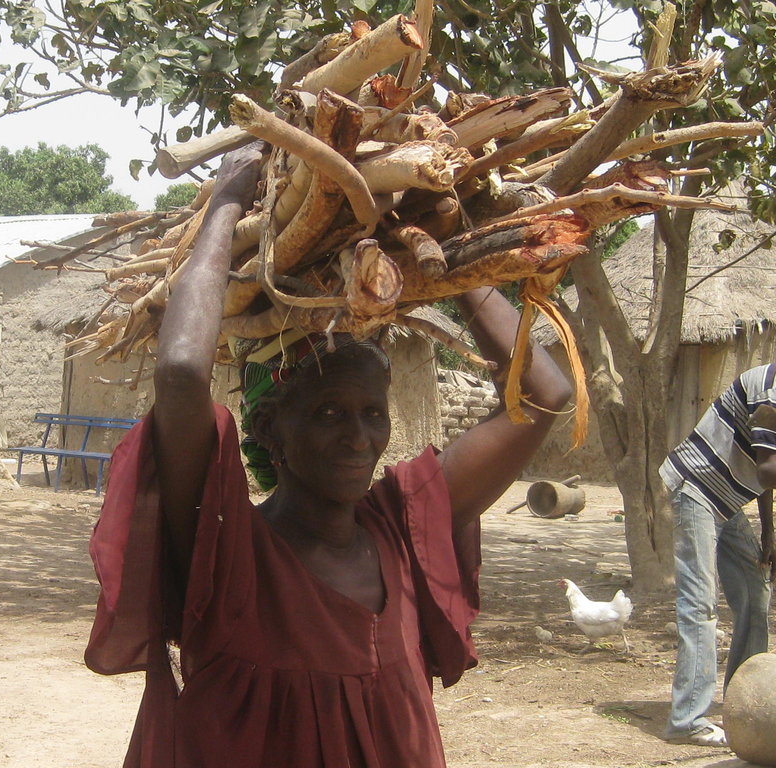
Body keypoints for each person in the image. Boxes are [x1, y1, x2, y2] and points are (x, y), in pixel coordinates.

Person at [83, 143, 573, 768]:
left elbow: (545, 393)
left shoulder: (402, 526)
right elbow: (180, 373)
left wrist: (441, 248)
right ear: (266, 425)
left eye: (372, 412)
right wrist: (227, 206)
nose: (359, 436)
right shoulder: (230, 551)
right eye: (327, 413)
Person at [659, 364, 776, 747]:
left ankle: (748, 701)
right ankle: (686, 721)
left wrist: (768, 532)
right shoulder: (770, 388)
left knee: (756, 591)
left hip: (726, 500)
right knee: (700, 605)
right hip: (697, 490)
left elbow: (763, 472)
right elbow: (769, 467)